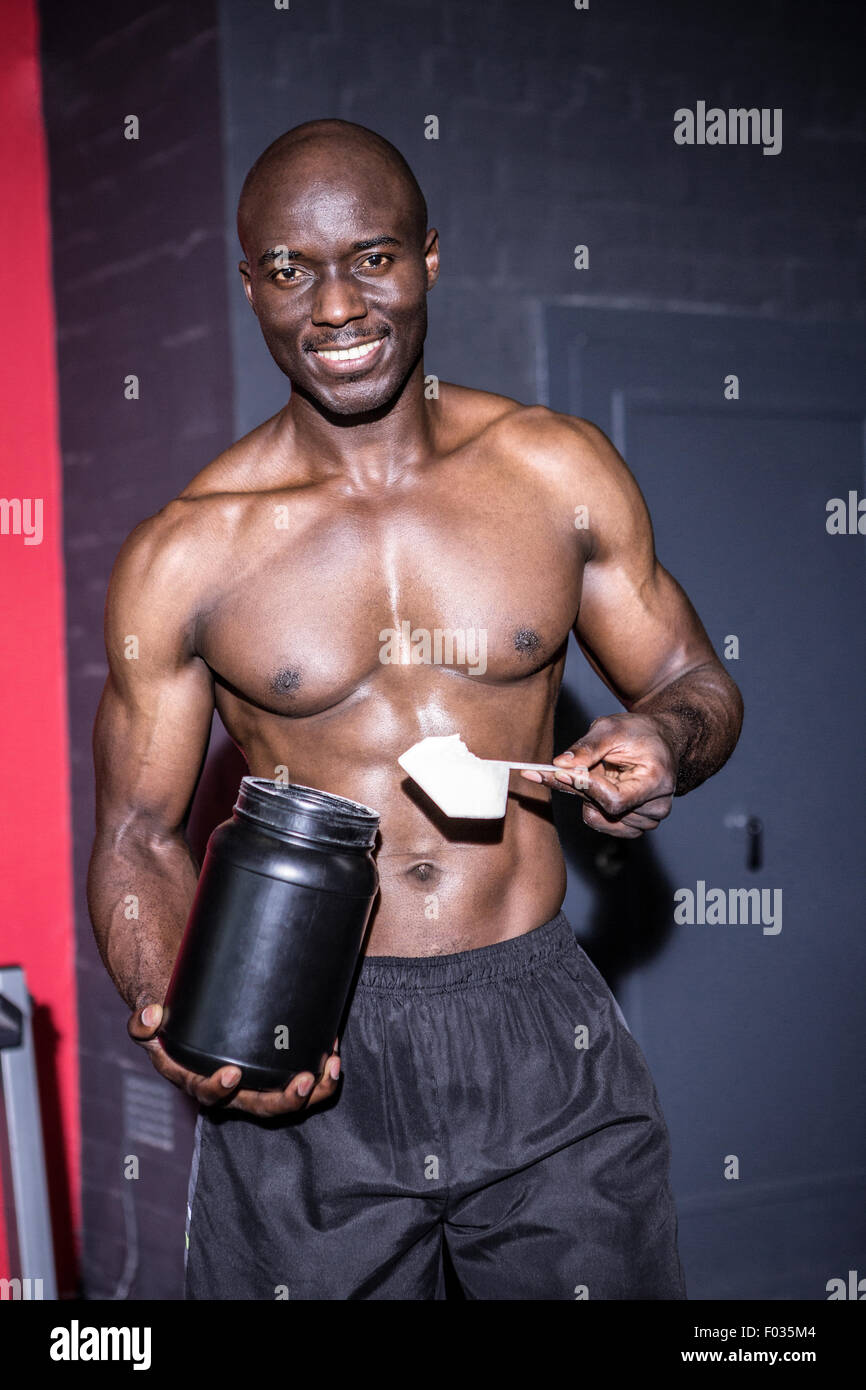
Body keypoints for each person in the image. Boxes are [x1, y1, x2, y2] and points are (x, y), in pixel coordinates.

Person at [87, 118, 743, 1300]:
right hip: (306, 1033)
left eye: (372, 257)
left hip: (537, 1018)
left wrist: (663, 740)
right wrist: (176, 1012)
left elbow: (695, 681)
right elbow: (138, 831)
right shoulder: (185, 554)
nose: (335, 305)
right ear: (249, 286)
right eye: (290, 269)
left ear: (429, 259)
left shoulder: (553, 471)